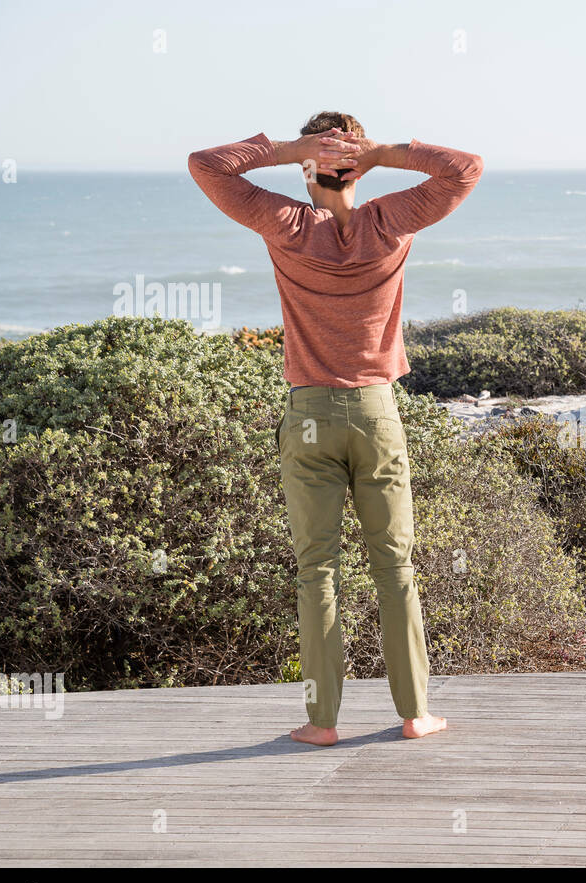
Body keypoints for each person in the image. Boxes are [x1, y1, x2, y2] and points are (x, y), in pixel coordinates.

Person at [188, 111, 483, 746]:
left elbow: (205, 165)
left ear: (309, 165)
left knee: (315, 569)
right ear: (357, 163)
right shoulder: (388, 220)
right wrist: (382, 153)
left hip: (311, 414)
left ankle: (322, 723)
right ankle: (414, 715)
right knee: (395, 566)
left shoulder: (287, 224)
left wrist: (291, 148)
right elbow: (464, 169)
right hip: (375, 411)